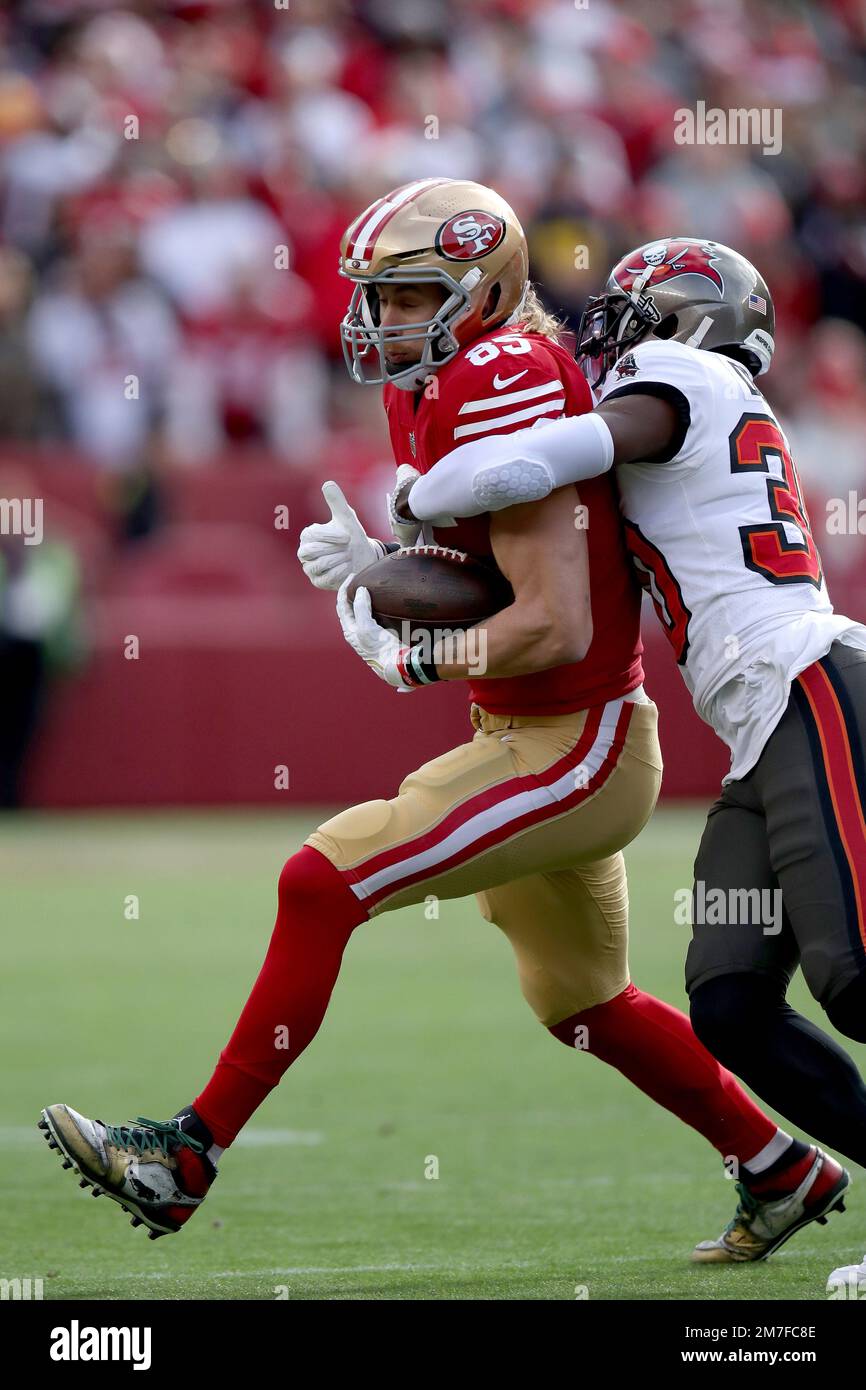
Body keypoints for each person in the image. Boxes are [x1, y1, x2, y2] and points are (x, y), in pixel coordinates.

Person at [39, 201, 844, 1267]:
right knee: (583, 1000)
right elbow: (484, 566)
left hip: (578, 741)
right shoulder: (449, 378)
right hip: (552, 727)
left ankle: (184, 1154)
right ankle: (776, 1166)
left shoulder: (512, 373)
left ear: (490, 289)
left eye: (412, 295)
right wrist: (385, 559)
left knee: (319, 880)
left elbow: (547, 616)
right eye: (378, 296)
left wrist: (410, 636)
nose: (386, 319)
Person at [401, 235, 866, 1274]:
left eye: (627, 308)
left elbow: (534, 460)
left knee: (853, 973)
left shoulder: (682, 376)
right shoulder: (684, 412)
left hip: (806, 684)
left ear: (687, 319)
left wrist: (416, 492)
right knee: (730, 1003)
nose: (605, 329)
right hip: (760, 722)